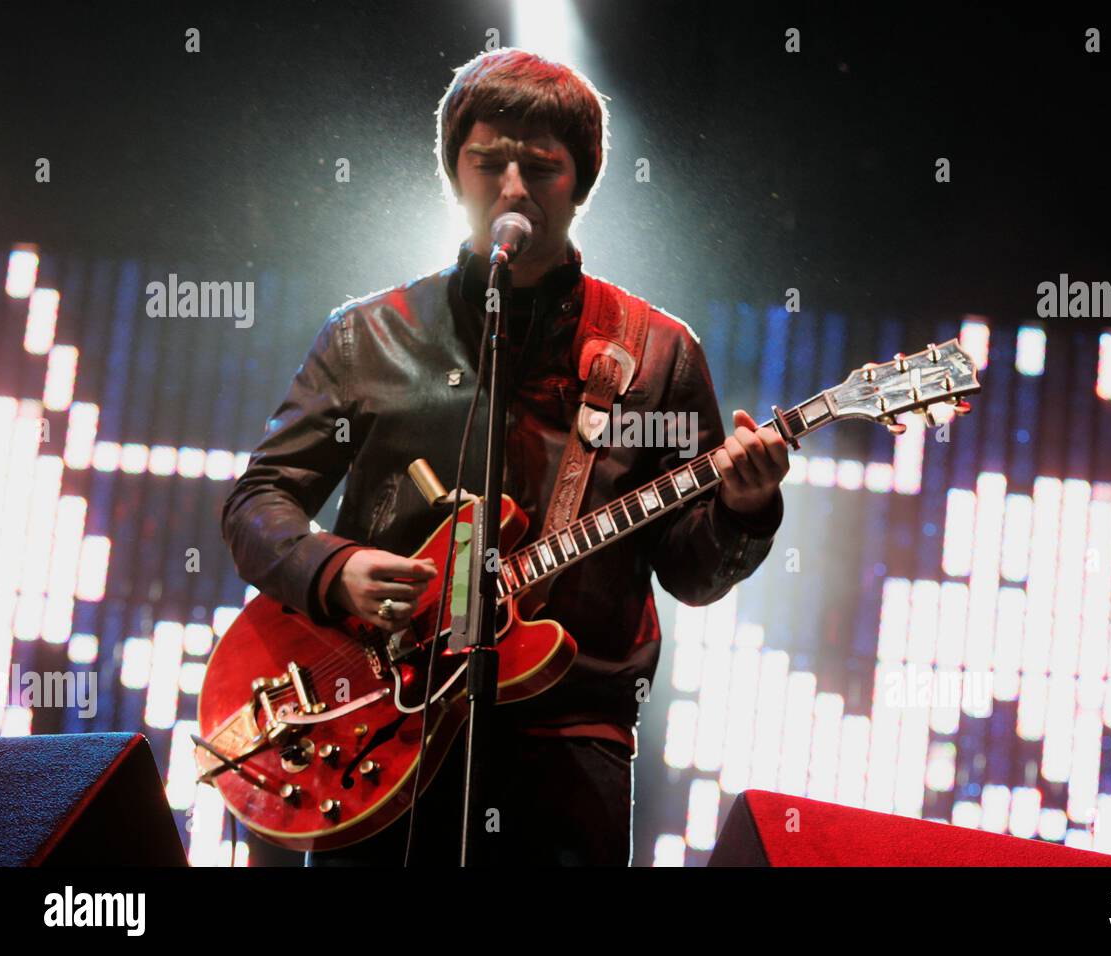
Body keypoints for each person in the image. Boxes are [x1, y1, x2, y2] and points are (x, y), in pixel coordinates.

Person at [221, 47, 789, 867]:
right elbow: (257, 501)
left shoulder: (658, 354)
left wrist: (744, 507)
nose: (513, 188)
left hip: (567, 746)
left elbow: (691, 574)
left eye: (542, 167)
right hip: (377, 723)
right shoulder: (370, 333)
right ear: (455, 170)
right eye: (489, 162)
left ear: (580, 183)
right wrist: (332, 567)